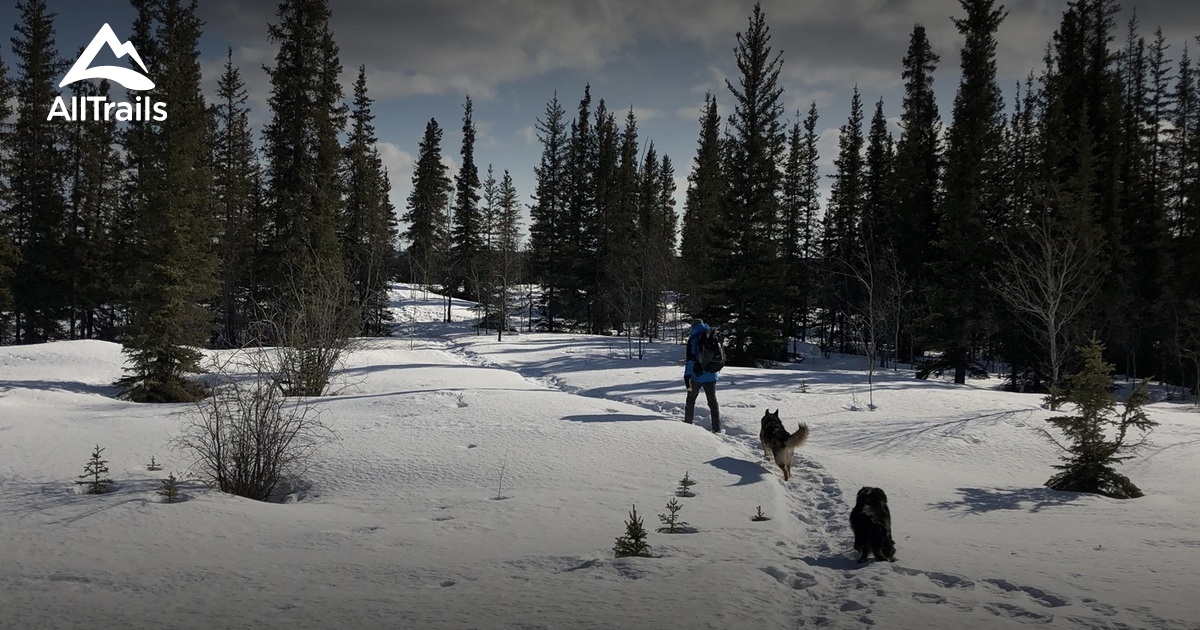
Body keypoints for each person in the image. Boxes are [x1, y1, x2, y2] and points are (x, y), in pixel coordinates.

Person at [684, 318, 720, 433]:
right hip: (712, 375)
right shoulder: (712, 335)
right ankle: (716, 427)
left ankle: (688, 422)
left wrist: (687, 375)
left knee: (691, 399)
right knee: (712, 402)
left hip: (697, 375)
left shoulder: (694, 339)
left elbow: (690, 359)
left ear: (693, 327)